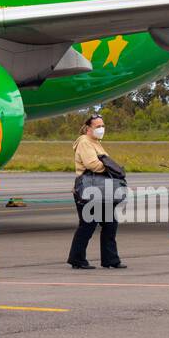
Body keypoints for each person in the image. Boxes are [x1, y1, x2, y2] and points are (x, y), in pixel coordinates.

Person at [67, 114, 126, 269]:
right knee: (88, 225)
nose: (101, 129)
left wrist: (107, 165)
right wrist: (112, 167)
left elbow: (102, 161)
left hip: (100, 190)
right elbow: (92, 164)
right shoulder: (85, 142)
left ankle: (110, 259)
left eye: (102, 125)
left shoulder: (95, 142)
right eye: (97, 126)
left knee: (110, 224)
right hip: (89, 190)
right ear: (88, 128)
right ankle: (77, 259)